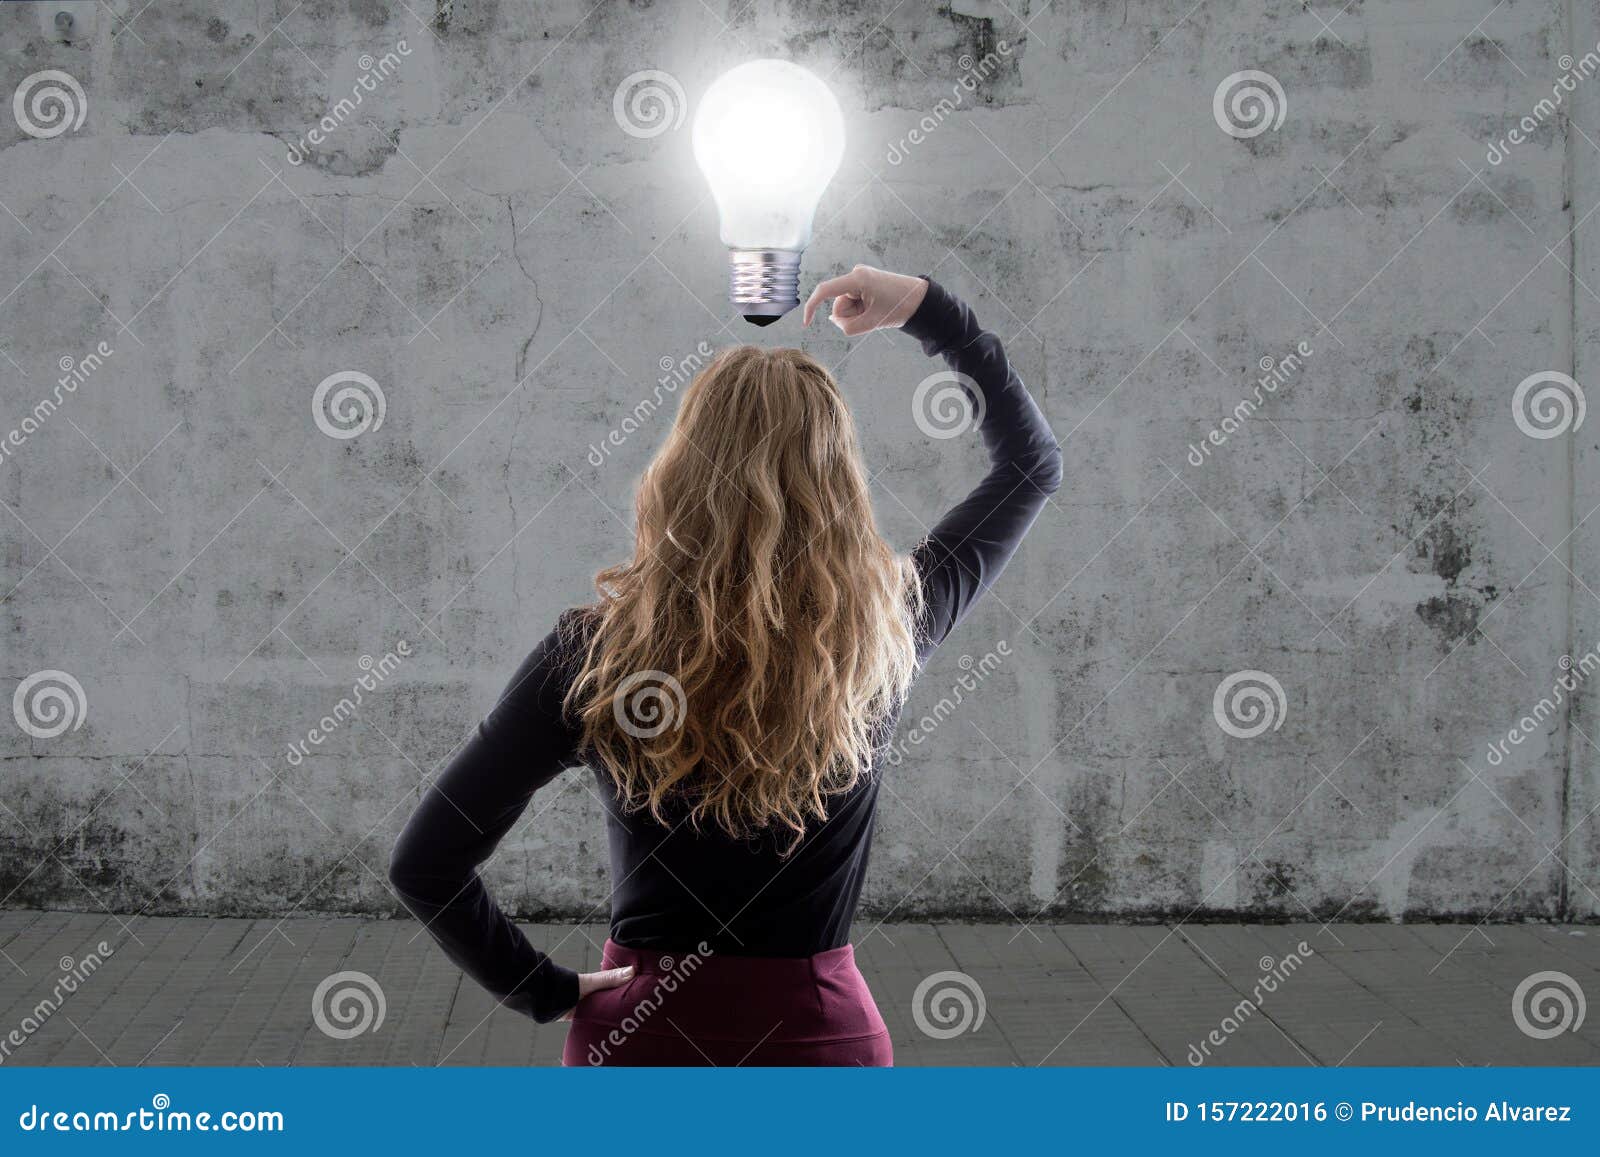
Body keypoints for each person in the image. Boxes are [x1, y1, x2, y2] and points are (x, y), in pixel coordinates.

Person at [389, 265, 1062, 1065]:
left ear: (679, 475)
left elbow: (425, 863)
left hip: (641, 1045)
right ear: (839, 482)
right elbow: (1030, 465)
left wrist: (541, 988)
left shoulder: (593, 654)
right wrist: (931, 311)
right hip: (821, 1046)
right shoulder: (885, 629)